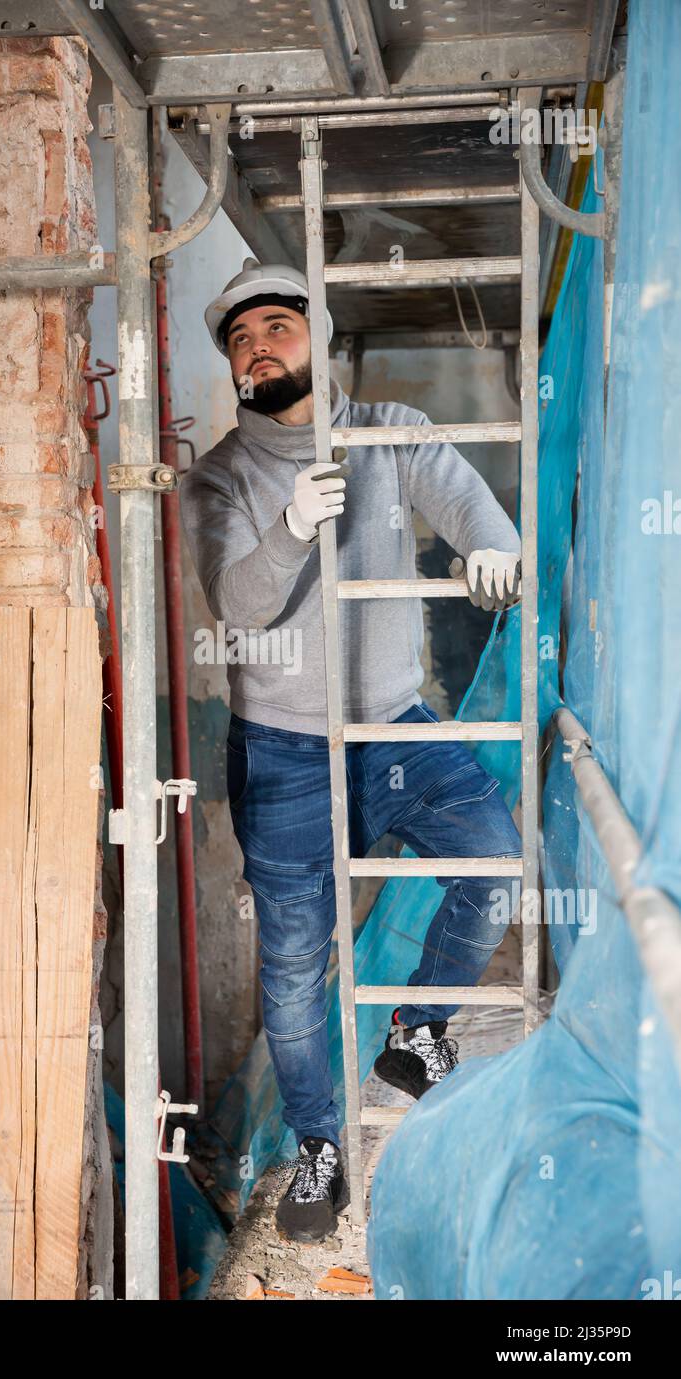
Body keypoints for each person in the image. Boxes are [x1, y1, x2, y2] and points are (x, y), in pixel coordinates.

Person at [178, 258, 523, 1243]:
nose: (258, 348)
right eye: (241, 340)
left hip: (392, 726)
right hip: (282, 751)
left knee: (491, 858)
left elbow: (461, 501)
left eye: (278, 327)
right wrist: (289, 528)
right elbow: (238, 606)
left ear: (315, 341)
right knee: (291, 969)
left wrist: (487, 547)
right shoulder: (219, 480)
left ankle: (416, 1033)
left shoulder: (390, 432)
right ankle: (321, 1150)